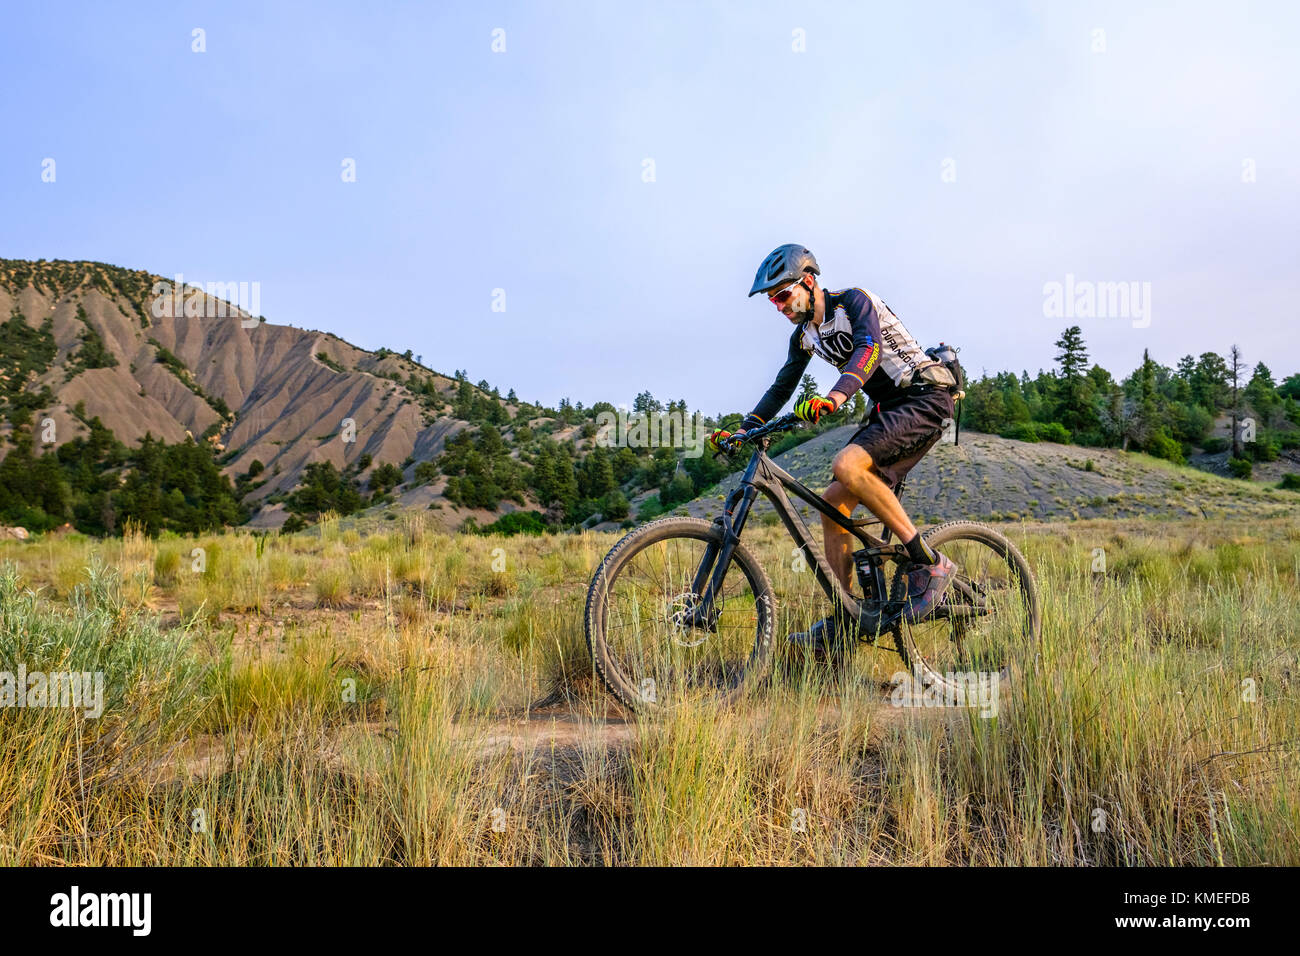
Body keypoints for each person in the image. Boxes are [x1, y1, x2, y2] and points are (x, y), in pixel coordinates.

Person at [708, 243, 960, 653]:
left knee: (847, 464)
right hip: (888, 410)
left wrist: (834, 397)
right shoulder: (804, 337)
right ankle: (845, 618)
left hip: (925, 398)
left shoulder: (853, 302)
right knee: (833, 507)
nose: (779, 307)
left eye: (783, 295)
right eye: (773, 301)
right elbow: (781, 387)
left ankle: (930, 563)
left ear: (808, 282)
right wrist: (744, 429)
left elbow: (868, 350)